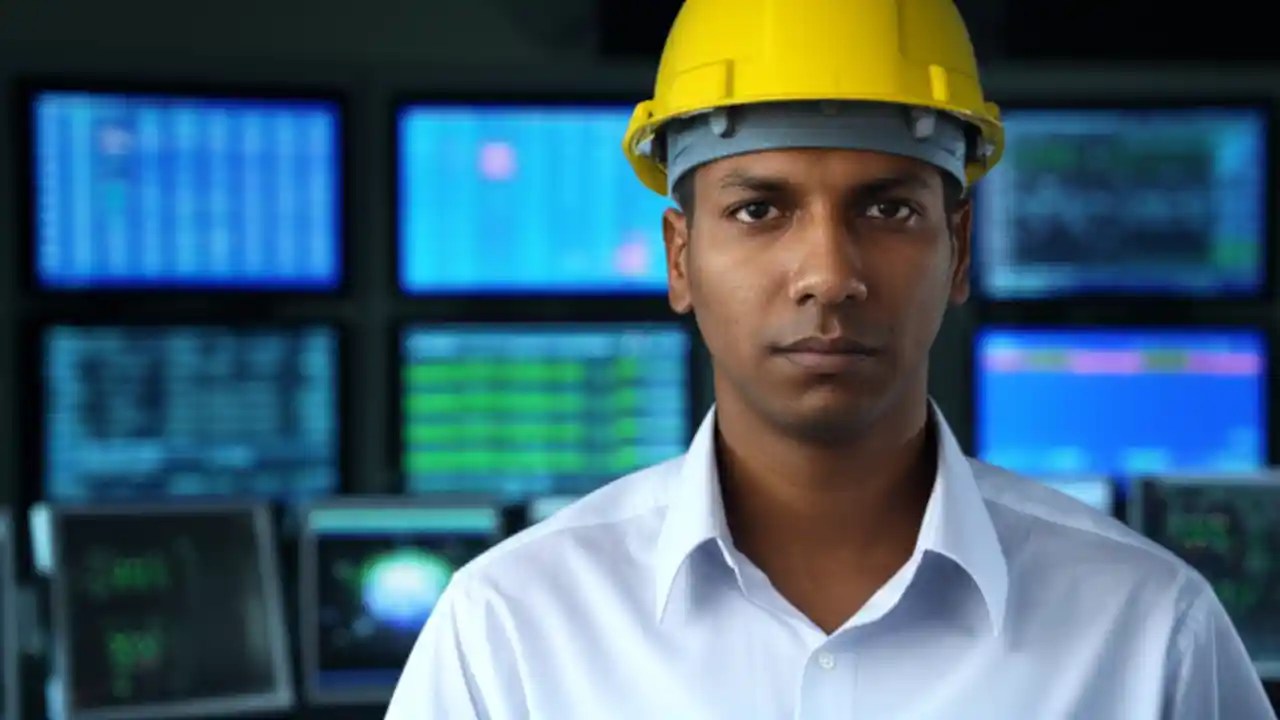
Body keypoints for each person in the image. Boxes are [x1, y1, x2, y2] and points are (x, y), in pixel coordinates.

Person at [385, 0, 1277, 717]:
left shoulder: (1150, 630)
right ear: (680, 258)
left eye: (886, 210)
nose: (829, 275)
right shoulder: (510, 631)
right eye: (760, 210)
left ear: (958, 251)